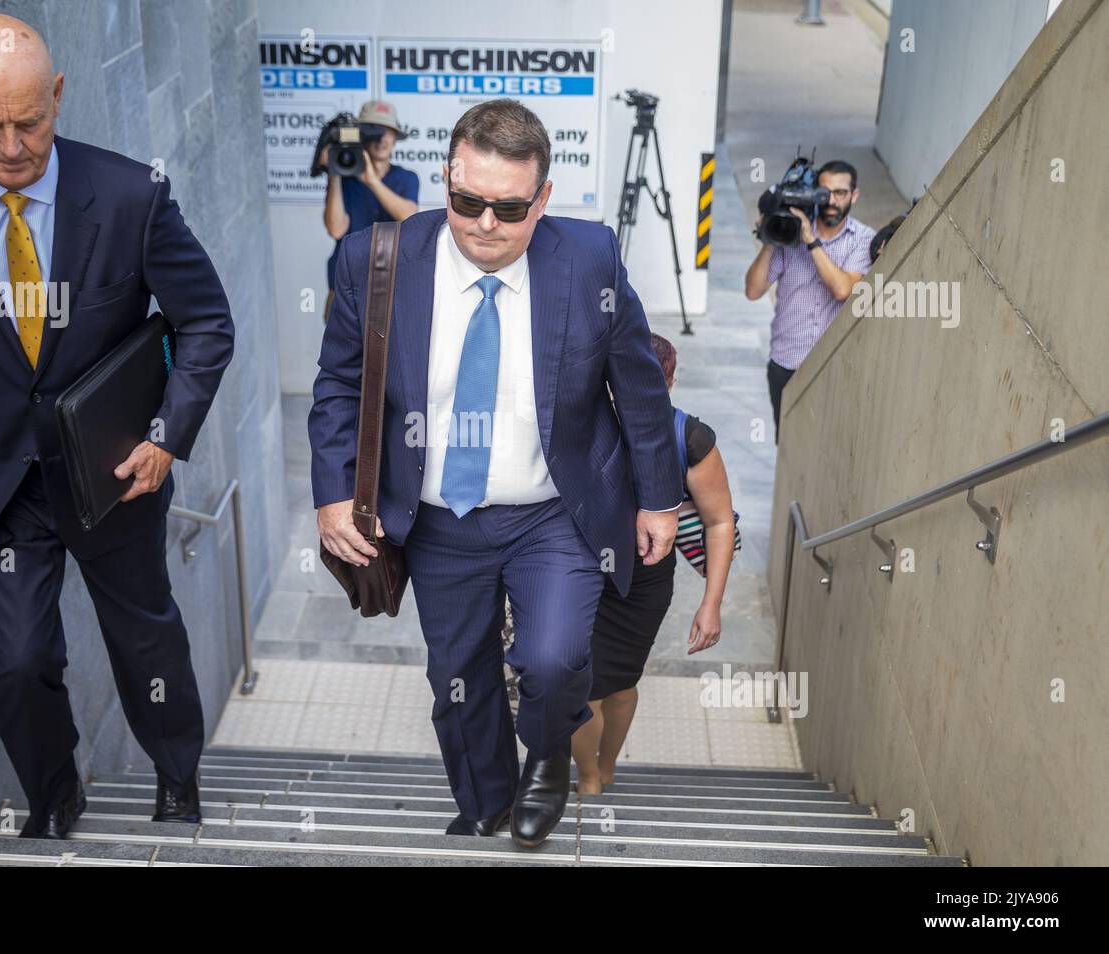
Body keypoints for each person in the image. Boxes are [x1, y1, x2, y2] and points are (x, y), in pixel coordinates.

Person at [0, 14, 234, 839]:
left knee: (145, 639)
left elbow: (208, 323)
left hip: (115, 475)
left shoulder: (129, 196)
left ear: (58, 96)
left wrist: (165, 434)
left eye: (31, 121)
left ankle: (178, 779)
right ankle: (52, 797)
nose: (12, 146)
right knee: (18, 661)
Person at [309, 99, 682, 847]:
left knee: (551, 659)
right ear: (447, 176)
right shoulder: (374, 261)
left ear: (543, 199)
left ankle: (547, 752)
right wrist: (331, 494)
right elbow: (339, 386)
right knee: (458, 681)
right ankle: (485, 804)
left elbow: (639, 388)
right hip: (440, 518)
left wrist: (661, 498)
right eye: (467, 200)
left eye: (509, 208)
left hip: (553, 512)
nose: (484, 223)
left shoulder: (589, 260)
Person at [572, 334, 737, 794]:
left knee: (621, 685)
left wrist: (712, 603)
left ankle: (606, 768)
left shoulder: (690, 438)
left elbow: (719, 521)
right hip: (576, 572)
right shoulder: (583, 425)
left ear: (669, 383)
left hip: (642, 585)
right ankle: (588, 777)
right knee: (580, 688)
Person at [744, 160, 875, 443]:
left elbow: (842, 289)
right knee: (789, 447)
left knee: (827, 448)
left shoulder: (863, 240)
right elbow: (753, 291)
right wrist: (772, 235)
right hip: (786, 364)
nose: (831, 201)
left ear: (854, 196)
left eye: (840, 193)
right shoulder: (790, 232)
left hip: (834, 366)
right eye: (824, 192)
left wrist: (811, 241)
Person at [321, 100, 419, 322]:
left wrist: (372, 180)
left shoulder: (406, 178)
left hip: (394, 285)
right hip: (346, 287)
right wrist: (335, 171)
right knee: (343, 354)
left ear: (395, 138)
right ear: (362, 136)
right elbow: (336, 229)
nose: (382, 138)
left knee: (394, 355)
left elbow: (409, 216)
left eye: (388, 132)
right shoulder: (344, 180)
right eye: (374, 131)